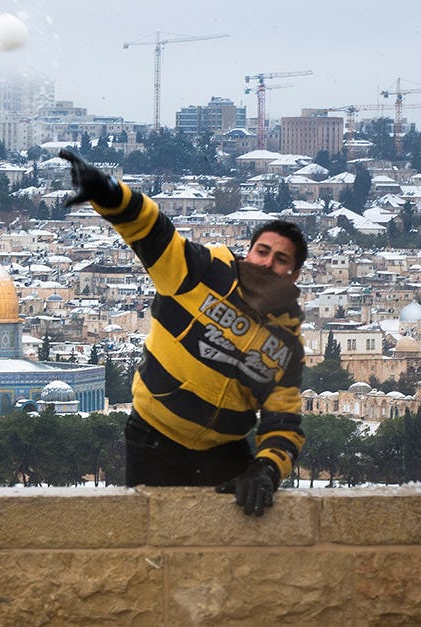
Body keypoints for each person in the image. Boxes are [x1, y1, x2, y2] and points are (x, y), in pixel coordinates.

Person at [60, 147, 306, 516]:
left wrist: (266, 469)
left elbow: (284, 422)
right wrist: (110, 193)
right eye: (262, 251)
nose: (268, 263)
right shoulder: (204, 272)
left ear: (294, 274)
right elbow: (154, 232)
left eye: (281, 259)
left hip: (224, 453)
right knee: (154, 548)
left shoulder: (287, 344)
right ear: (248, 253)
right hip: (154, 439)